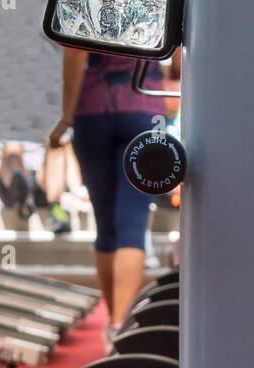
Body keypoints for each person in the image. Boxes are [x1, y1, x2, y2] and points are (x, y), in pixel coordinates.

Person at [50, 49, 175, 337]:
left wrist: (65, 117)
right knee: (133, 224)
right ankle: (120, 326)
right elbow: (179, 56)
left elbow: (74, 54)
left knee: (105, 225)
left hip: (94, 109)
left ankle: (112, 323)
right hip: (145, 108)